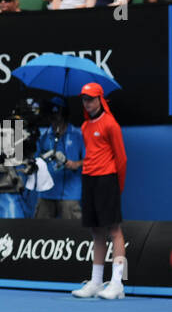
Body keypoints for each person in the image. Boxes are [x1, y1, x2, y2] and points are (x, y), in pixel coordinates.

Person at [69, 83, 127, 300]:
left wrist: (117, 186)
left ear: (101, 99)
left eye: (91, 98)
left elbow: (121, 159)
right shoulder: (84, 127)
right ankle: (95, 282)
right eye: (84, 99)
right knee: (96, 232)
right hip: (89, 180)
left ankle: (117, 284)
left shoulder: (111, 124)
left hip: (107, 180)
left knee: (114, 231)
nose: (88, 103)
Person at [34, 101, 84, 220]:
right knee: (38, 231)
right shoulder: (44, 136)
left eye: (58, 118)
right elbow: (36, 159)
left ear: (65, 117)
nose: (55, 122)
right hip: (46, 192)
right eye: (52, 118)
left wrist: (75, 164)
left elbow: (91, 159)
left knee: (73, 231)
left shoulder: (78, 135)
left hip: (70, 193)